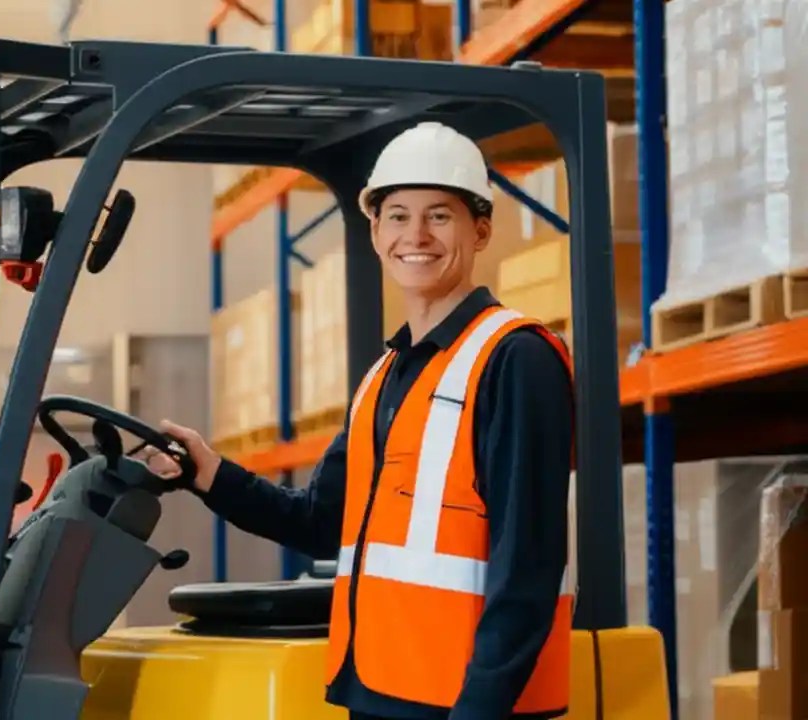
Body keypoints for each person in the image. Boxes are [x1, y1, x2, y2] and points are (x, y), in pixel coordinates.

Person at [145, 121, 575, 720]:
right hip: (380, 691)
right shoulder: (384, 378)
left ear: (481, 230)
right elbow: (322, 523)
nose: (415, 235)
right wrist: (209, 473)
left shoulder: (514, 358)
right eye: (397, 215)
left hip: (464, 706)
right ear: (375, 231)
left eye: (439, 216)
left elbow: (526, 565)